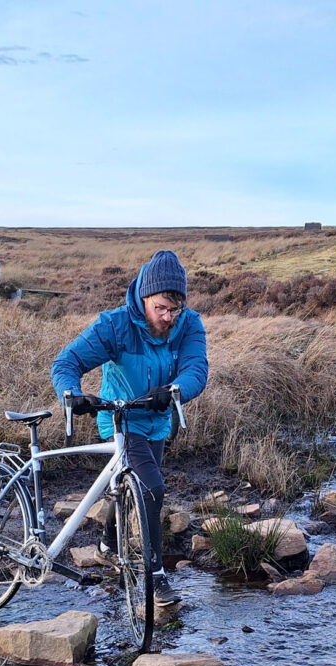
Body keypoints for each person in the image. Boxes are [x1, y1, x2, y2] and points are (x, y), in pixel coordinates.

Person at [51, 249, 207, 606]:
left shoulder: (189, 324)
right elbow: (67, 361)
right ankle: (156, 576)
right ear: (144, 298)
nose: (168, 317)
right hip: (119, 420)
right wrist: (71, 394)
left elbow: (197, 369)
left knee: (127, 488)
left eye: (174, 309)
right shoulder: (116, 325)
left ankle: (107, 546)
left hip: (157, 419)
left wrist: (173, 392)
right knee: (151, 488)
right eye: (161, 309)